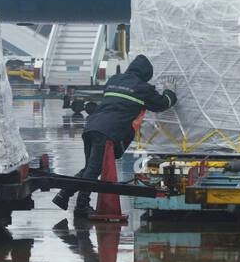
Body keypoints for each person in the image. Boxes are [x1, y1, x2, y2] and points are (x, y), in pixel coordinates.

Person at [54, 54, 178, 218]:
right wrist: (170, 91)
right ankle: (81, 207)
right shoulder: (142, 88)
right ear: (146, 74)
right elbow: (162, 104)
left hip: (91, 127)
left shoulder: (114, 80)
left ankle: (64, 195)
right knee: (92, 171)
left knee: (90, 168)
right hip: (106, 132)